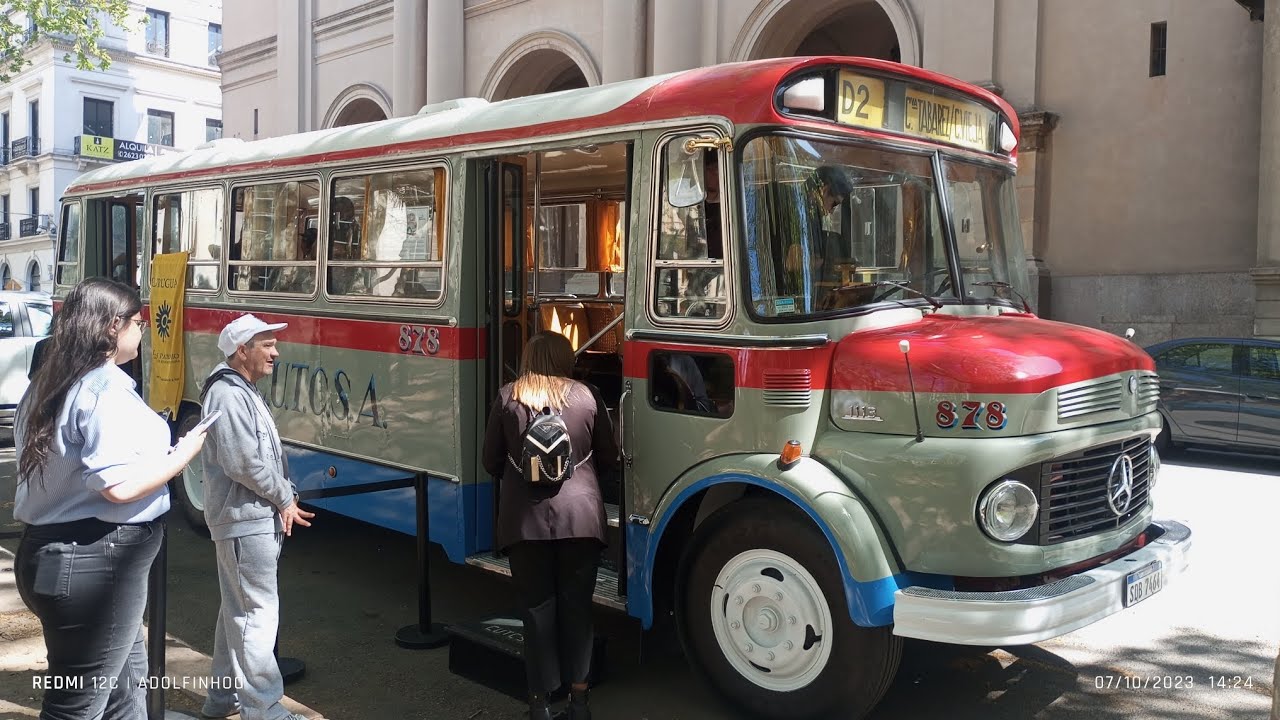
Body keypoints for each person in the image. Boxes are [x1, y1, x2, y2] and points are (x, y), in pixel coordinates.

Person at [12, 277, 207, 718]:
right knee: (77, 706)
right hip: (94, 563)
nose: (143, 330)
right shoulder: (104, 389)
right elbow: (117, 487)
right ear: (111, 327)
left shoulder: (52, 381)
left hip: (62, 557)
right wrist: (184, 454)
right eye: (138, 322)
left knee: (125, 689)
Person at [482, 331, 619, 720]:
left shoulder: (509, 396)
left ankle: (539, 706)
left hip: (525, 525)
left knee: (536, 612)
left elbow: (489, 461)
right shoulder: (586, 395)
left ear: (528, 357)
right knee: (577, 610)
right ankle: (579, 702)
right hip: (581, 520)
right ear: (564, 359)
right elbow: (607, 455)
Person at [199, 314, 314, 720]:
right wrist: (285, 497)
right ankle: (264, 710)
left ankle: (223, 699)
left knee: (239, 611)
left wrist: (283, 498)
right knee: (256, 616)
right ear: (242, 350)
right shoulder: (229, 394)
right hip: (244, 520)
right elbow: (243, 462)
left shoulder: (238, 390)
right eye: (266, 344)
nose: (276, 352)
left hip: (246, 519)